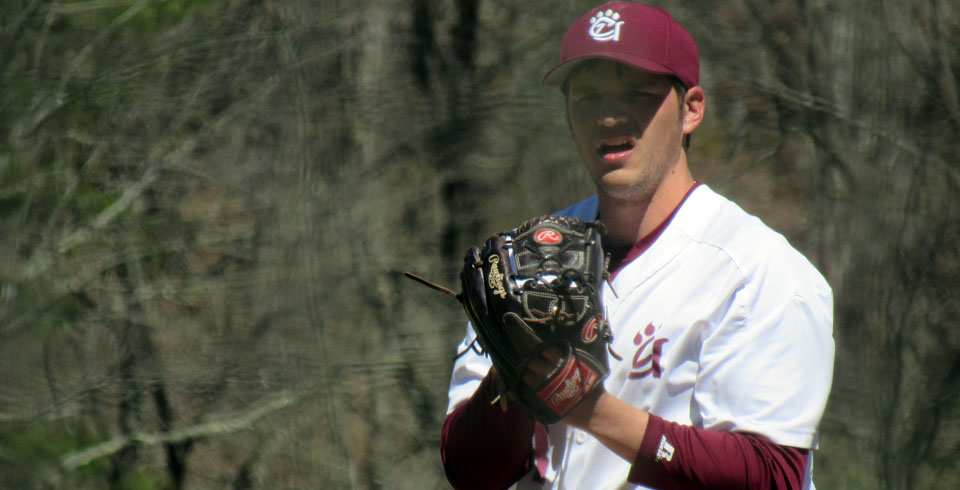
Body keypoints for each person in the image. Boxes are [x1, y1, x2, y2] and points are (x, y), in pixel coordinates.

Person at [440, 2, 835, 489]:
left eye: (637, 94)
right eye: (588, 97)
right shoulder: (526, 262)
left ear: (691, 110)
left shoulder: (758, 270)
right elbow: (469, 472)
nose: (608, 116)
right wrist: (513, 374)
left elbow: (772, 476)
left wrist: (591, 410)